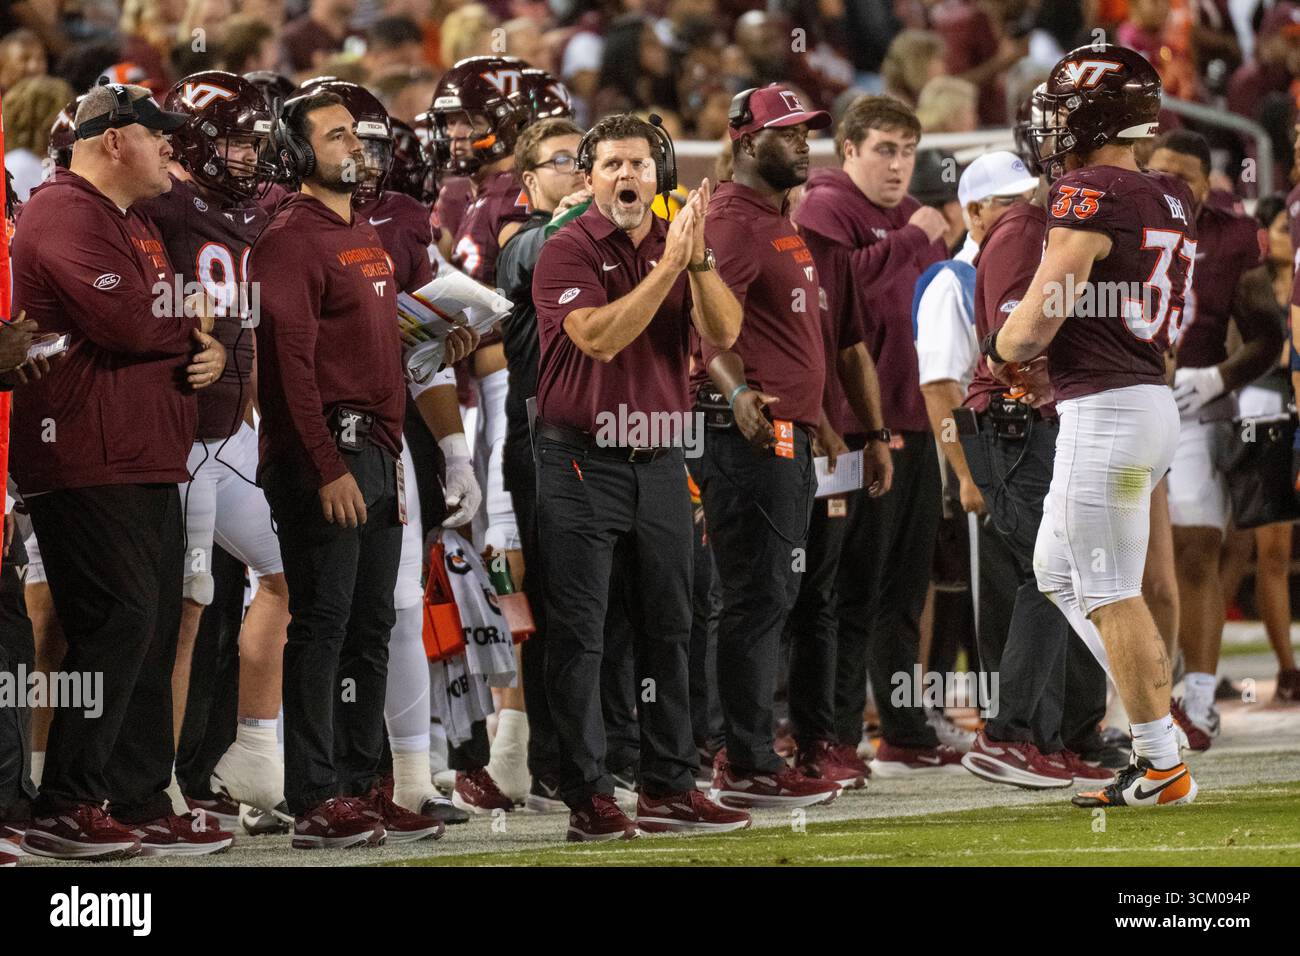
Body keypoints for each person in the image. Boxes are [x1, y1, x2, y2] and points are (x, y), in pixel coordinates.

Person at [12, 83, 232, 860]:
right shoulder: (63, 211)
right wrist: (193, 326)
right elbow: (129, 319)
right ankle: (67, 803)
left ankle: (138, 797)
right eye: (158, 134)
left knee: (149, 626)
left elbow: (164, 317)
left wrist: (203, 347)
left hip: (139, 454)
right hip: (83, 455)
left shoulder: (129, 219)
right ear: (114, 141)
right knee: (118, 624)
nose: (171, 147)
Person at [531, 113, 749, 840]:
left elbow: (723, 333)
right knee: (582, 633)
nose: (628, 177)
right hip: (578, 460)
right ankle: (588, 795)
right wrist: (668, 265)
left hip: (659, 458)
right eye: (614, 165)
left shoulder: (678, 247)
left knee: (672, 625)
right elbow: (597, 336)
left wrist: (699, 260)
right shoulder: (563, 249)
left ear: (660, 177)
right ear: (590, 178)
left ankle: (667, 785)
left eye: (641, 166)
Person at [996, 43, 1197, 808]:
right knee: (1059, 573)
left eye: (1062, 109)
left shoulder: (1088, 190)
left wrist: (1004, 347)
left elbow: (1048, 302)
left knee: (1111, 590)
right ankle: (1158, 726)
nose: (1052, 127)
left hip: (1106, 410)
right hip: (1146, 400)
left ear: (1094, 114)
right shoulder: (1169, 193)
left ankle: (1159, 759)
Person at [700, 84, 893, 807]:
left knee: (774, 597)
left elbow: (806, 342)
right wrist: (737, 391)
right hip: (749, 437)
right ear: (747, 143)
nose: (803, 145)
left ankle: (752, 752)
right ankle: (743, 761)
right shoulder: (732, 221)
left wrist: (839, 426)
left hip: (793, 435)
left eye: (807, 132)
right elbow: (705, 330)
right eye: (787, 134)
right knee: (756, 600)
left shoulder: (775, 220)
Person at [251, 89, 432, 849]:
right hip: (328, 449)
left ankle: (361, 784)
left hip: (378, 449)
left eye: (355, 133)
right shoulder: (289, 238)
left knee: (371, 621)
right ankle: (313, 799)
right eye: (334, 135)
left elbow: (368, 345)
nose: (353, 145)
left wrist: (433, 346)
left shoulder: (358, 228)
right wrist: (327, 466)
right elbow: (287, 365)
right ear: (294, 152)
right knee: (322, 625)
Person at [134, 70, 294, 829]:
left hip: (227, 432)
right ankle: (149, 782)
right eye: (235, 139)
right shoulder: (156, 202)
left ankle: (253, 757)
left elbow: (253, 330)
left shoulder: (258, 210)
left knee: (291, 565)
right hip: (166, 435)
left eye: (258, 142)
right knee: (181, 612)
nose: (250, 157)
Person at [795, 95, 954, 775]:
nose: (898, 163)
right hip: (851, 428)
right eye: (885, 148)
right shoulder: (825, 206)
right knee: (842, 587)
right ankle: (828, 732)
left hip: (912, 420)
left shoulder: (911, 214)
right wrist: (913, 239)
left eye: (907, 150)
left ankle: (902, 724)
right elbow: (838, 296)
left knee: (903, 586)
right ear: (849, 150)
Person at [1145, 130, 1285, 750]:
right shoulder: (1122, 221)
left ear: (1208, 186)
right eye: (1157, 172)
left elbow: (1267, 339)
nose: (1166, 186)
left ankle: (1197, 699)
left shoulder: (1232, 240)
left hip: (1194, 415)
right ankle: (1149, 692)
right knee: (1128, 564)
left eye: (1181, 176)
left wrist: (1214, 379)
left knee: (1197, 550)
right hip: (1123, 404)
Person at [496, 114, 589, 811]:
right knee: (561, 606)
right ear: (529, 180)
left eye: (586, 158)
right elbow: (534, 248)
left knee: (619, 604)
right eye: (564, 160)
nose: (581, 171)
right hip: (543, 445)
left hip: (610, 442)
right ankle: (553, 763)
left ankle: (611, 750)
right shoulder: (522, 236)